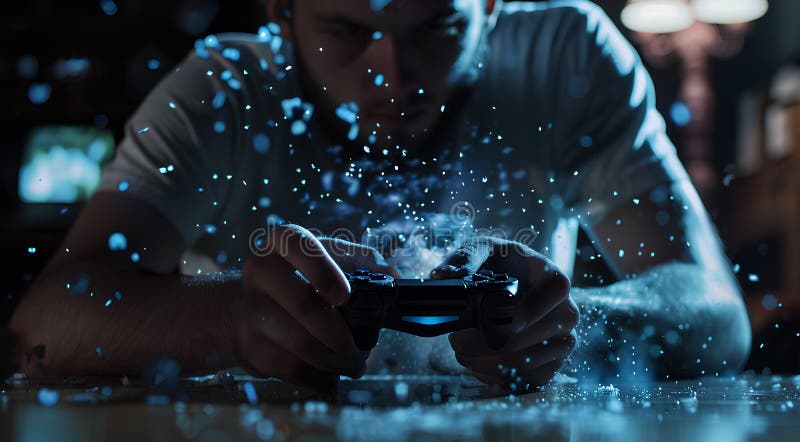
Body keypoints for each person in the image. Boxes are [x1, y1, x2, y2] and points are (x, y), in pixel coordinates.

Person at [9, 0, 751, 392]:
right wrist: (236, 319)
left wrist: (572, 323)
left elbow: (717, 311)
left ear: (492, 3)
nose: (396, 74)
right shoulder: (224, 88)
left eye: (437, 26)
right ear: (279, 9)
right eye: (346, 29)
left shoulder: (567, 55)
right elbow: (42, 325)